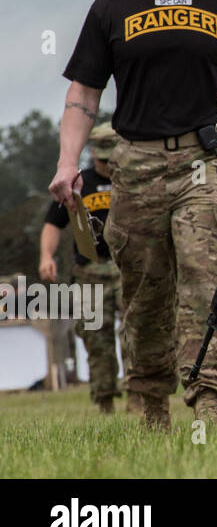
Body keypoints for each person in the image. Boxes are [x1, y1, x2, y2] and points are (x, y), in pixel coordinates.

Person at [49, 0, 217, 432]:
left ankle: (209, 403)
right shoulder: (112, 5)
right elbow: (84, 94)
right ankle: (151, 405)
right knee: (146, 292)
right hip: (136, 165)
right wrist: (67, 164)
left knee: (206, 281)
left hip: (207, 162)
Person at [39, 122, 127, 414]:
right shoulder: (78, 183)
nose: (106, 164)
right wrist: (46, 256)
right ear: (92, 153)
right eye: (101, 158)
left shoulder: (132, 180)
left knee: (137, 332)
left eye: (110, 157)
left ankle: (141, 398)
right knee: (95, 335)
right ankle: (104, 402)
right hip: (90, 271)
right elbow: (53, 224)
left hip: (129, 267)